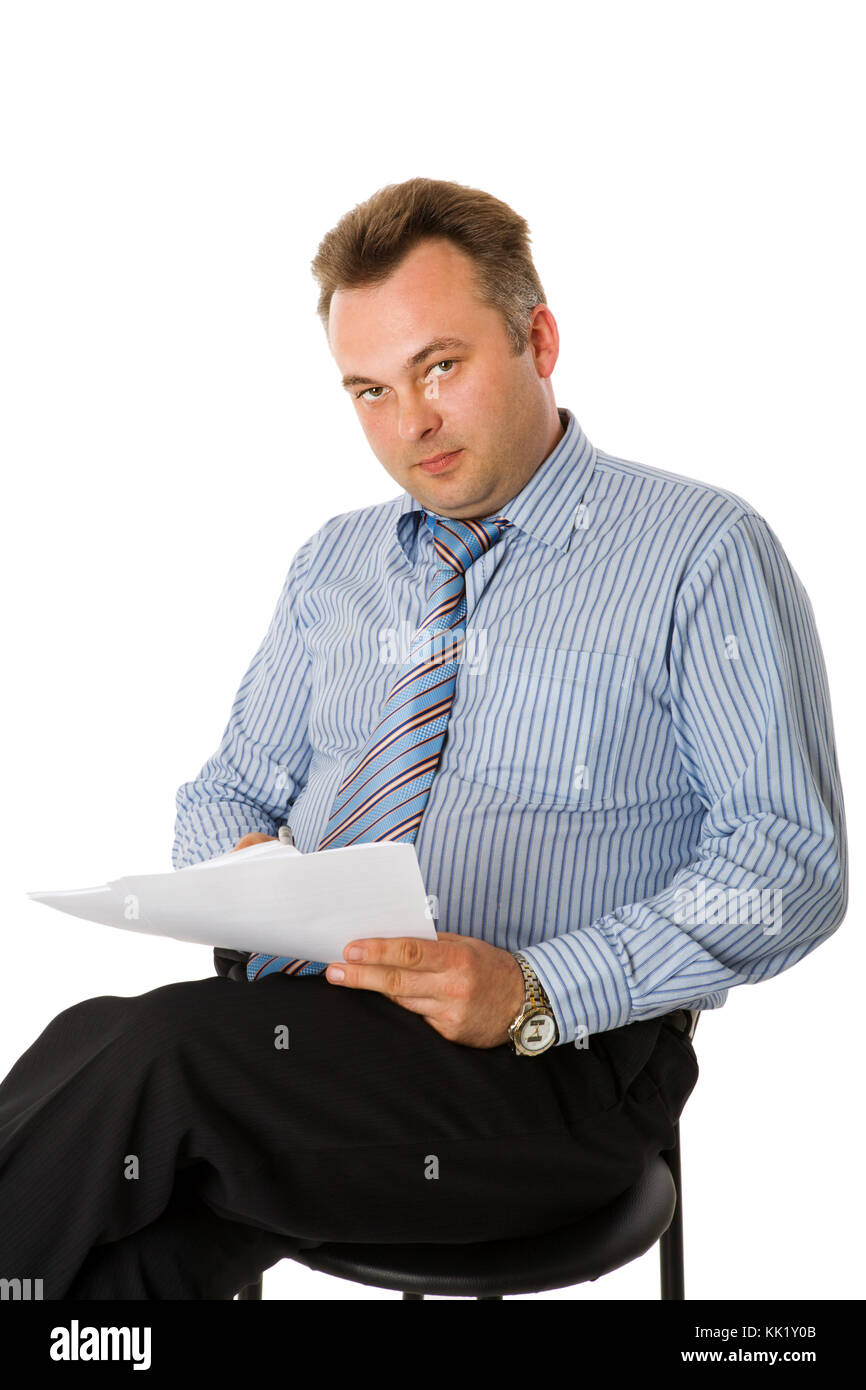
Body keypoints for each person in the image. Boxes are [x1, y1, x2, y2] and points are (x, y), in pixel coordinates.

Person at [0, 178, 847, 1300]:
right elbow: (229, 787)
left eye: (439, 366)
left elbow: (788, 866)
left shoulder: (700, 552)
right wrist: (261, 878)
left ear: (537, 338)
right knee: (119, 1260)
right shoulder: (335, 565)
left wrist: (539, 987)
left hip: (550, 1072)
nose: (411, 423)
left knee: (155, 1054)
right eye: (368, 390)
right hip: (301, 1045)